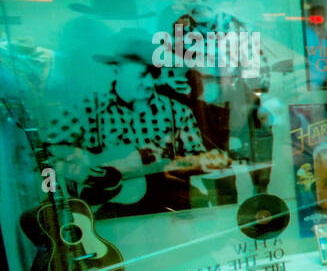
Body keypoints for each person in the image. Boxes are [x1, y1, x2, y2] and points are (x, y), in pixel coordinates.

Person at [45, 28, 228, 215]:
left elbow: (198, 158)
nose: (149, 84)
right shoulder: (85, 110)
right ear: (116, 69)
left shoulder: (178, 112)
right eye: (141, 74)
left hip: (170, 211)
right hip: (107, 217)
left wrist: (186, 165)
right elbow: (46, 159)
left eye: (154, 75)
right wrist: (81, 172)